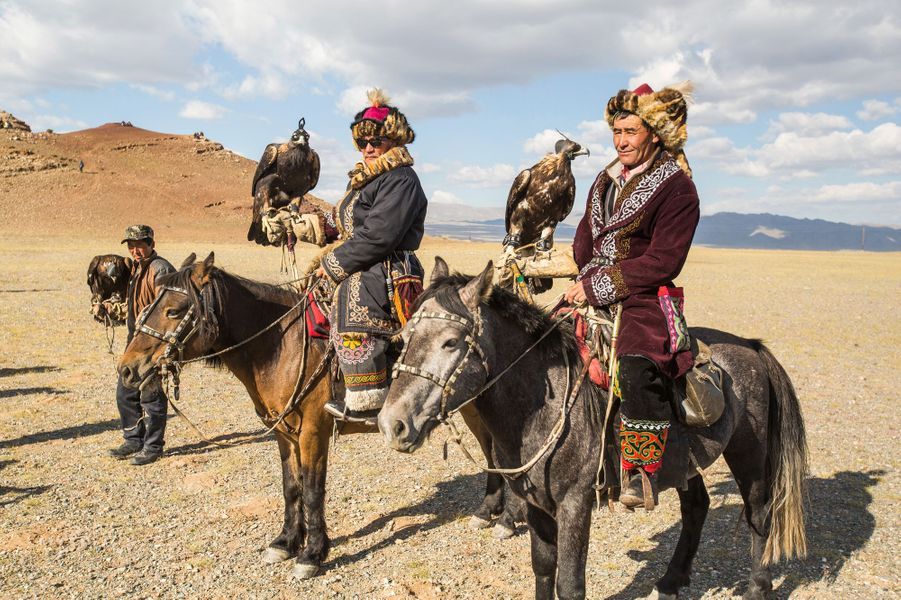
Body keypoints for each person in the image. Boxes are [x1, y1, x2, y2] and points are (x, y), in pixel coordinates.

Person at [564, 82, 700, 508]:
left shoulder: (678, 189)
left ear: (654, 134)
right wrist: (582, 281)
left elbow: (664, 261)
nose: (621, 141)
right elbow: (584, 242)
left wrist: (597, 284)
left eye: (631, 132)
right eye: (616, 132)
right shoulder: (604, 181)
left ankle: (641, 471)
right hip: (590, 287)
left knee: (637, 365)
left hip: (644, 296)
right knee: (536, 343)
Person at [316, 89, 427, 422]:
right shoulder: (367, 181)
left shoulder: (400, 179)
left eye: (375, 142)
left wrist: (333, 264)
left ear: (392, 142)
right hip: (364, 256)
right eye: (362, 143)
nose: (367, 149)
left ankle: (368, 398)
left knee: (354, 294)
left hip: (387, 268)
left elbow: (379, 236)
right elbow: (351, 226)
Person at [107, 225, 175, 465]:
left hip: (152, 342)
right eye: (131, 245)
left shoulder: (160, 268)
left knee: (151, 394)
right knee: (125, 391)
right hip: (134, 338)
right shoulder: (135, 267)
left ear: (151, 244)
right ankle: (133, 439)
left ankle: (153, 446)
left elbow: (166, 308)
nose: (135, 250)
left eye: (140, 245)